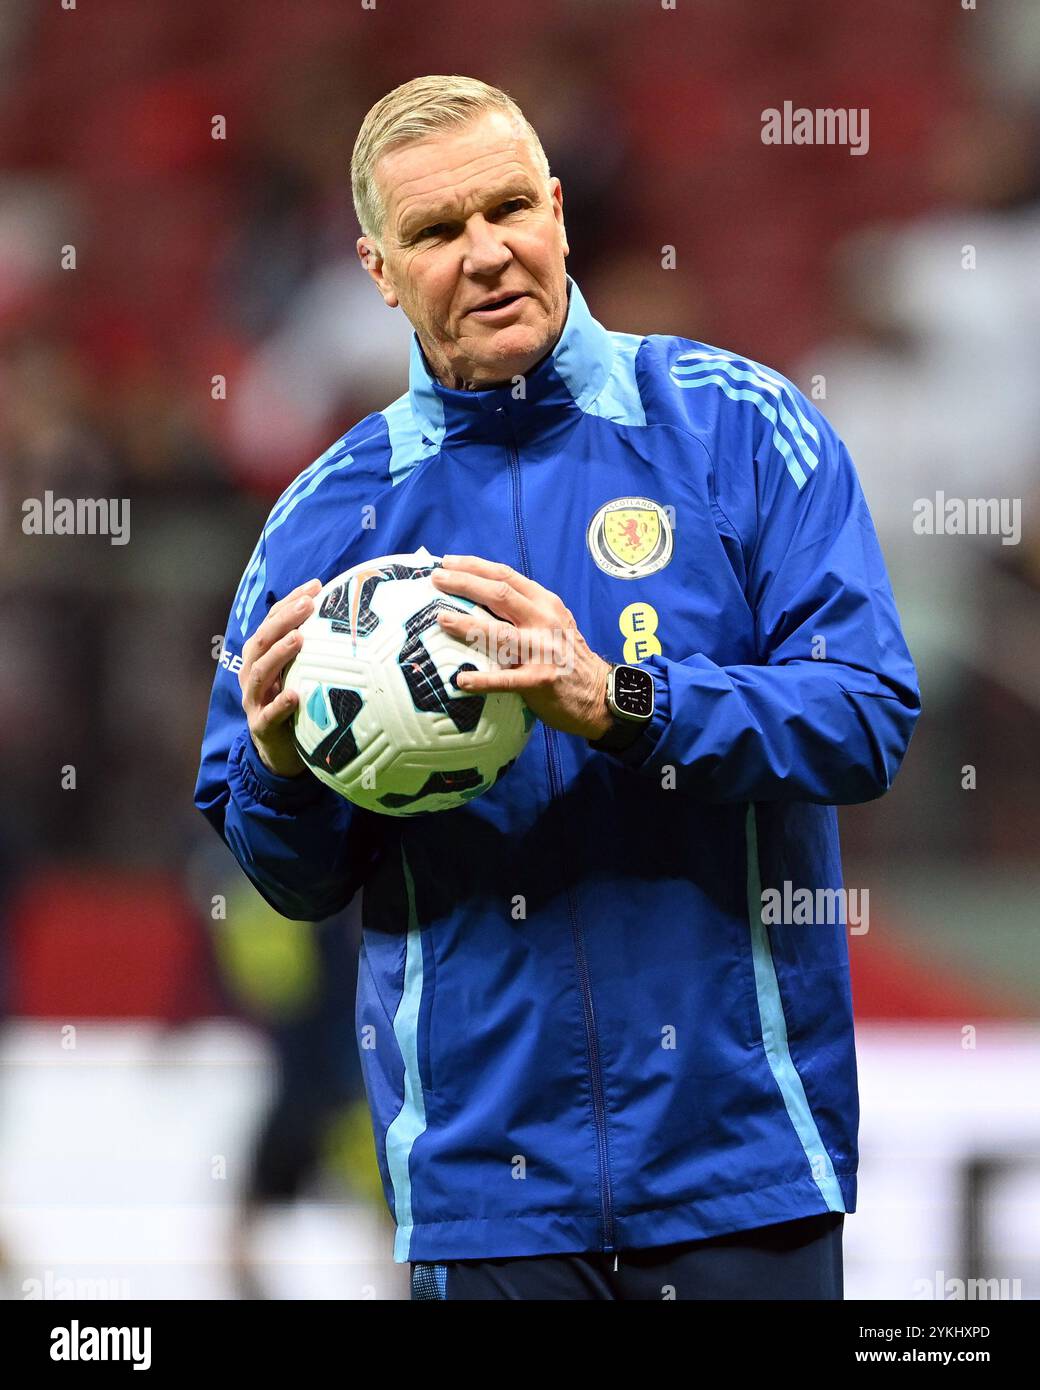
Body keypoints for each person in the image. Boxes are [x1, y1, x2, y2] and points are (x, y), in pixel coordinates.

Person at [195, 75, 921, 1301]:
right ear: (377, 269)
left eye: (508, 208)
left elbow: (864, 714)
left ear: (560, 212)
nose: (484, 255)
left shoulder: (742, 430)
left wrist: (621, 703)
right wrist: (277, 772)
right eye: (434, 233)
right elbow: (286, 874)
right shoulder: (323, 519)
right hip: (485, 1191)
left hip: (739, 1168)